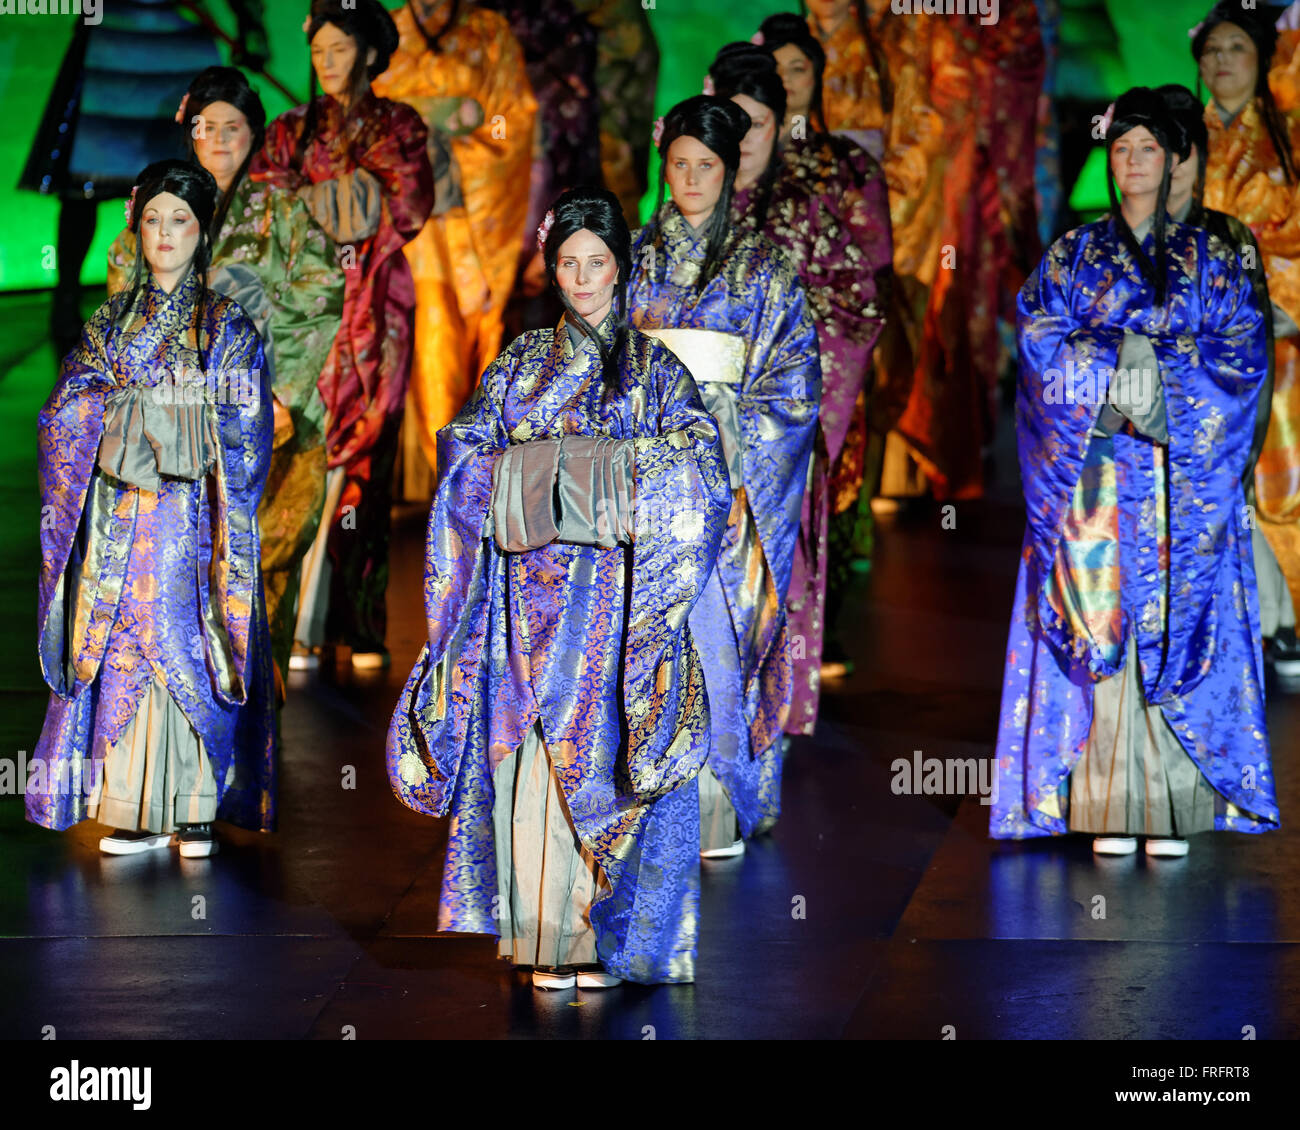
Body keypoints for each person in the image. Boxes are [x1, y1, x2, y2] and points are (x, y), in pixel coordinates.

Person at [386, 186, 730, 989]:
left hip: (616, 613)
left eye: (597, 263)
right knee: (535, 757)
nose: (582, 278)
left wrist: (592, 475)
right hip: (522, 606)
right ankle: (547, 938)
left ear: (621, 268)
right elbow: (466, 453)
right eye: (568, 263)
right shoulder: (517, 363)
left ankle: (604, 939)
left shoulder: (654, 372)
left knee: (608, 753)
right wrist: (539, 476)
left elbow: (700, 470)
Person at [990, 88, 1279, 857]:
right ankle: (1107, 800)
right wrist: (1111, 378)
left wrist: (1152, 376)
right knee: (1102, 621)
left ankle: (1175, 802)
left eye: (1149, 149)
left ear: (1178, 158)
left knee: (1175, 621)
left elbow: (1242, 354)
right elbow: (1040, 334)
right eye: (1121, 149)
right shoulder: (1076, 253)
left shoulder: (1214, 258)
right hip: (1101, 471)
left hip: (1178, 478)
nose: (1133, 163)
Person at [29, 159, 276, 859]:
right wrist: (139, 412)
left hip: (195, 522)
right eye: (154, 220)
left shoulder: (225, 325)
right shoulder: (111, 320)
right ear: (137, 229)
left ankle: (195, 809)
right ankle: (134, 807)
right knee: (120, 647)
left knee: (188, 645)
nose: (165, 234)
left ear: (203, 233)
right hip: (120, 520)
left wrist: (165, 419)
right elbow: (63, 413)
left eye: (181, 221)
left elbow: (246, 425)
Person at [107, 67, 345, 692]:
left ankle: (257, 717)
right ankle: (191, 712)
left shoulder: (283, 211)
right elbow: (129, 307)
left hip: (273, 415)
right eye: (204, 126)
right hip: (180, 422)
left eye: (231, 127)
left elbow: (321, 293)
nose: (216, 139)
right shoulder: (157, 212)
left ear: (253, 135)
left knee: (266, 560)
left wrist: (285, 393)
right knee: (185, 563)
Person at [628, 96, 821, 857]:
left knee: (728, 633)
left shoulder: (766, 266)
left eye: (706, 164)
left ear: (731, 169)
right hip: (655, 478)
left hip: (736, 480)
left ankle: (722, 801)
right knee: (654, 633)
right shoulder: (636, 256)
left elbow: (795, 380)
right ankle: (653, 796)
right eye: (679, 164)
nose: (691, 178)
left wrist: (731, 428)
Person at [709, 44, 892, 733]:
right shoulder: (690, 208)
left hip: (775, 432)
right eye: (733, 122)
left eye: (758, 123)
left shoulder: (804, 209)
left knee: (771, 577)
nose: (745, 140)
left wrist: (790, 372)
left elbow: (858, 306)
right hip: (696, 433)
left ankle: (761, 724)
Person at [251, 0, 435, 672]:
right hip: (303, 312)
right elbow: (269, 209)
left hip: (377, 302)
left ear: (366, 51)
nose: (327, 62)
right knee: (298, 451)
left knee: (368, 464)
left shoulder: (399, 125)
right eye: (318, 50)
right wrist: (335, 205)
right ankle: (289, 619)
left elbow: (407, 206)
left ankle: (359, 624)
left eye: (340, 49)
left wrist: (329, 208)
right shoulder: (289, 131)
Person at [371, 0, 537, 502]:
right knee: (421, 335)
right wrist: (432, 127)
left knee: (463, 337)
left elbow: (512, 126)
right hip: (401, 223)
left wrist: (458, 140)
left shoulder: (490, 32)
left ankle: (469, 485)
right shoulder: (387, 31)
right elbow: (368, 129)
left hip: (466, 219)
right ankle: (435, 486)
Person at [1158, 82, 1298, 672]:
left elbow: (1247, 335)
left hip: (1221, 397)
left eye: (1177, 150)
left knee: (1248, 498)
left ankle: (1267, 622)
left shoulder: (1229, 234)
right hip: (1149, 414)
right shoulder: (1112, 238)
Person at [1194, 2, 1300, 672]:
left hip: (1282, 333)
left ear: (1261, 58)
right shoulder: (1183, 139)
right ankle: (1252, 621)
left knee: (1282, 477)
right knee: (1217, 479)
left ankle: (1289, 616)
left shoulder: (1288, 136)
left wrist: (1284, 306)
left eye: (1237, 47)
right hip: (1203, 337)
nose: (1223, 61)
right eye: (1212, 50)